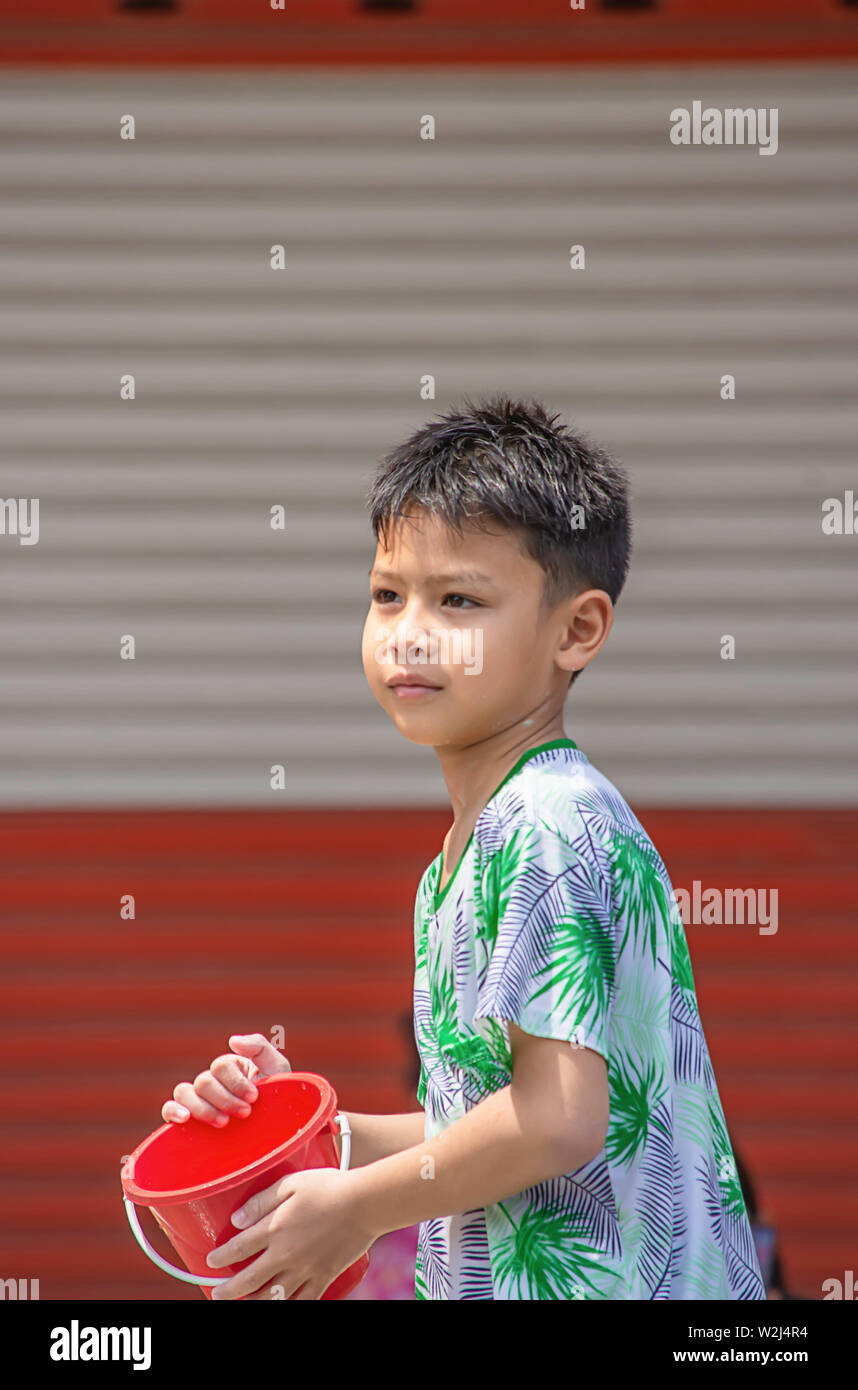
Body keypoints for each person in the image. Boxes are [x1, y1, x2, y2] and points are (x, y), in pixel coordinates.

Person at [161, 394, 766, 1301]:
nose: (410, 630)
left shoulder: (546, 823)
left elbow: (556, 1122)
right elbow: (479, 1128)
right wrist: (322, 1136)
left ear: (578, 630)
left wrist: (358, 1209)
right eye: (387, 594)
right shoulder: (463, 855)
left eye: (459, 600)